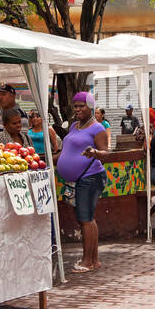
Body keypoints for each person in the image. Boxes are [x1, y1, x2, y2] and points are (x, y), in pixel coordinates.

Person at [59, 91, 108, 273]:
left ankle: (87, 261)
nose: (78, 109)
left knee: (85, 219)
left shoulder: (97, 128)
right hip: (80, 179)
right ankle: (94, 260)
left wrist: (95, 153)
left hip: (90, 177)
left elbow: (106, 152)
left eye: (82, 106)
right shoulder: (74, 126)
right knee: (88, 219)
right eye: (76, 106)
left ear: (91, 107)